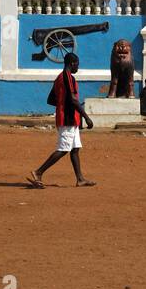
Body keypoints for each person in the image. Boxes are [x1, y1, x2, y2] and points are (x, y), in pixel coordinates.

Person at [27, 52, 95, 188]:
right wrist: (86, 117)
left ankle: (80, 179)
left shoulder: (60, 78)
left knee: (75, 148)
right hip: (67, 119)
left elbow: (51, 99)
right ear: (73, 63)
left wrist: (63, 104)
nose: (78, 68)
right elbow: (73, 100)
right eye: (77, 65)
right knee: (64, 149)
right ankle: (38, 172)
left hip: (70, 118)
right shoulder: (66, 77)